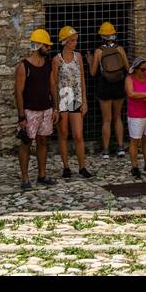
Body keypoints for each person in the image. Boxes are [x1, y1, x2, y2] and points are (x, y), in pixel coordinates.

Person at [16, 28, 58, 190]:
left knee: (43, 141)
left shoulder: (48, 65)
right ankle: (25, 178)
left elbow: (52, 85)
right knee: (26, 143)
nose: (48, 49)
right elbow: (18, 92)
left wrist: (55, 108)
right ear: (39, 45)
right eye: (46, 46)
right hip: (30, 111)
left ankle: (42, 175)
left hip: (46, 109)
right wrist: (21, 116)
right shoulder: (23, 66)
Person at [52, 26, 91, 180]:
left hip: (75, 98)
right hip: (63, 98)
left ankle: (82, 167)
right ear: (65, 42)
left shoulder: (78, 57)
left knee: (78, 135)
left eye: (76, 40)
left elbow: (82, 79)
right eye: (73, 40)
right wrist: (55, 106)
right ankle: (66, 167)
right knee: (63, 134)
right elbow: (54, 83)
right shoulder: (56, 60)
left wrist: (85, 101)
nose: (76, 42)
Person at [90, 21, 129, 159]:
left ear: (102, 36)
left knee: (106, 119)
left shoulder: (99, 51)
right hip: (118, 84)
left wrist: (90, 62)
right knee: (118, 117)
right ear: (114, 34)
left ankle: (106, 150)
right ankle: (120, 148)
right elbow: (127, 67)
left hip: (104, 85)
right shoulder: (120, 49)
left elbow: (93, 73)